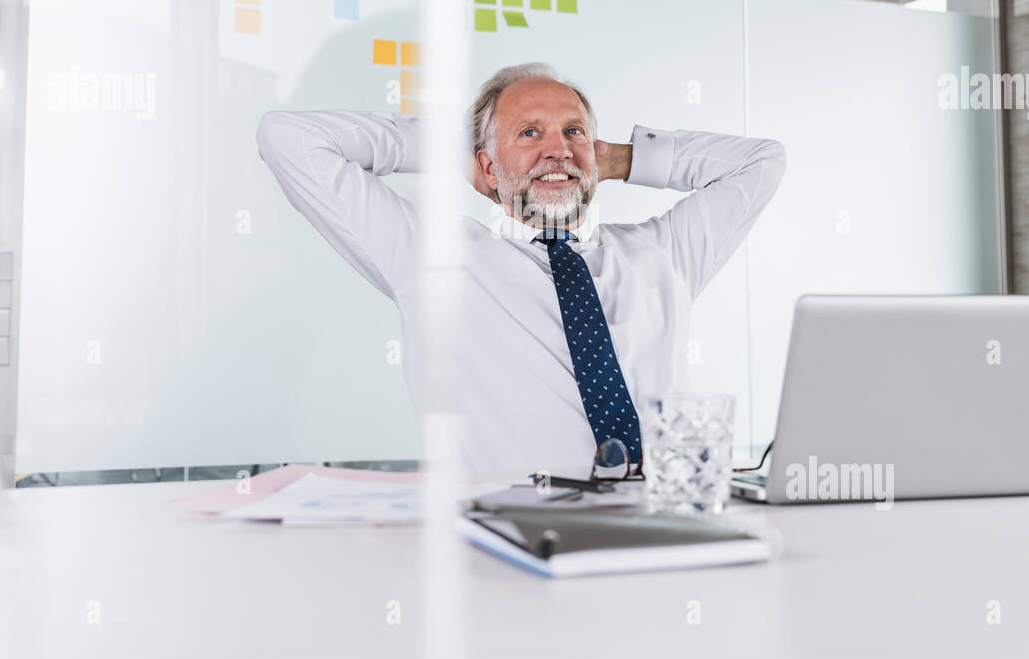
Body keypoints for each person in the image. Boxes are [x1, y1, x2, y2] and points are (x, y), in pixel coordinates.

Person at [256, 62, 786, 471]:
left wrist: (618, 158)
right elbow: (290, 139)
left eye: (573, 132)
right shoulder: (431, 257)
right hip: (511, 553)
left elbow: (762, 162)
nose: (558, 150)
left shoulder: (664, 253)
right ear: (485, 164)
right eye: (529, 134)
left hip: (666, 529)